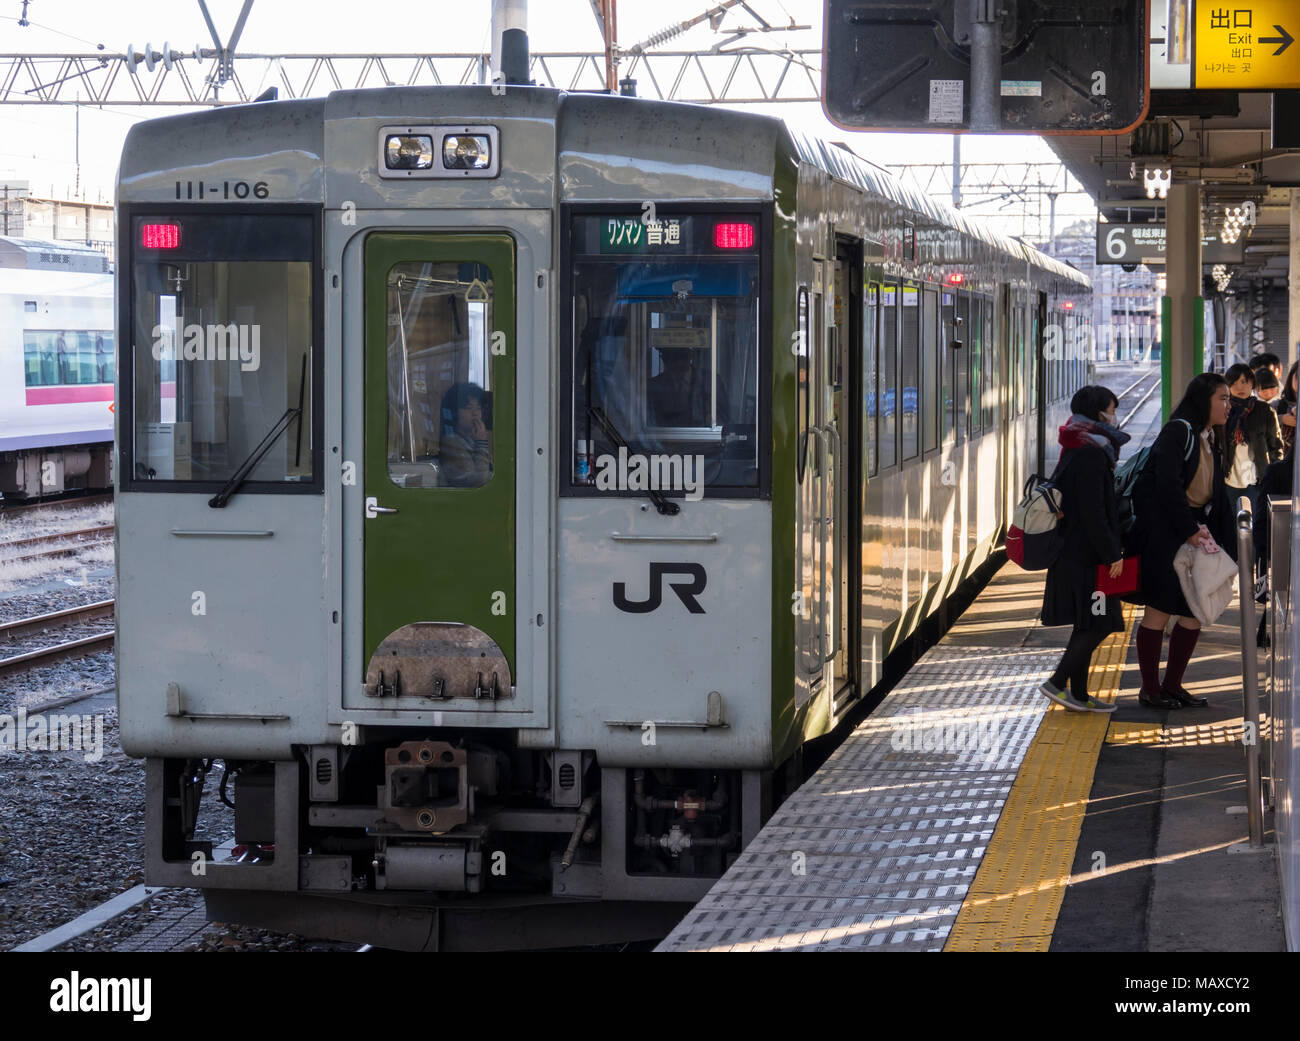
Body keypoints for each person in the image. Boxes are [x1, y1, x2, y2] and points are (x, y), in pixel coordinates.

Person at [1126, 373, 1236, 709]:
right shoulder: (1179, 432)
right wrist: (1188, 529)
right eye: (1223, 398)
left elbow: (1213, 492)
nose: (1229, 406)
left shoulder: (1210, 436)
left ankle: (1173, 685)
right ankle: (1150, 689)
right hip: (1165, 535)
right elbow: (1167, 487)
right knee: (1158, 610)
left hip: (1195, 531)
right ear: (1204, 400)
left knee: (1193, 611)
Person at [1038, 386, 1129, 713]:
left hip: (1076, 552)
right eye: (1111, 409)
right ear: (1098, 413)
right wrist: (1112, 555)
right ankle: (1057, 683)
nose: (1114, 415)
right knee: (1102, 622)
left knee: (1088, 622)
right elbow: (1093, 513)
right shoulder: (1090, 453)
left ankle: (1078, 694)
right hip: (1087, 556)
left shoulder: (1077, 445)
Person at [1222, 362, 1283, 516]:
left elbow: (1276, 447)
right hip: (1228, 480)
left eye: (1244, 381)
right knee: (1230, 527)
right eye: (1234, 383)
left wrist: (1273, 477)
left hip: (1256, 480)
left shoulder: (1265, 411)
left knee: (1254, 525)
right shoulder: (1223, 410)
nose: (1239, 387)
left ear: (1252, 383)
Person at [438, 381, 492, 487]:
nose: (475, 413)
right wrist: (481, 443)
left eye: (478, 408)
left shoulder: (469, 439)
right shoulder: (452, 442)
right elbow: (477, 481)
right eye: (468, 408)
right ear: (454, 412)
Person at [1273, 361, 1297, 456]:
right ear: (1291, 377)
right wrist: (1282, 419)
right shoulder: (1278, 405)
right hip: (1282, 460)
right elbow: (1258, 421)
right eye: (1298, 376)